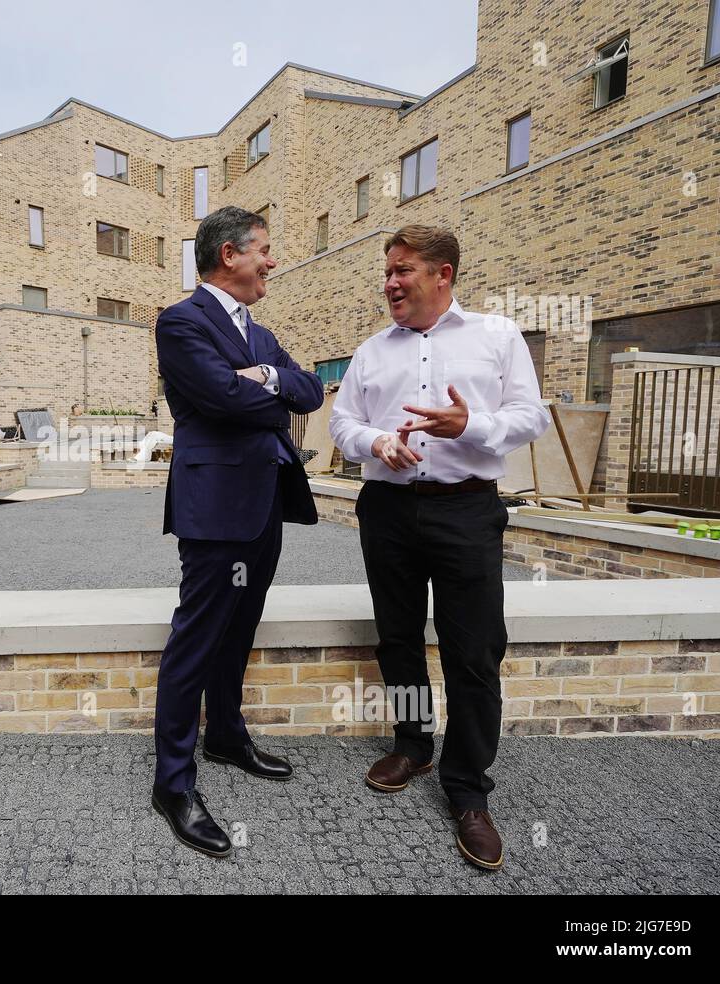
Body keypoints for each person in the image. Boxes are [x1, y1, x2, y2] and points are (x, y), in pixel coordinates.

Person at [328, 225, 549, 870]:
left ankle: (468, 788)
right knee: (397, 638)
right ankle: (412, 742)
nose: (390, 282)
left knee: (474, 648)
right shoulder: (371, 352)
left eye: (403, 271)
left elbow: (532, 416)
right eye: (388, 271)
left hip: (466, 509)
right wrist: (376, 444)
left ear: (442, 273)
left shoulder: (497, 336)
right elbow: (342, 421)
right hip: (389, 510)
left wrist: (470, 425)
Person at [152, 205, 324, 857]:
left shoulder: (259, 333)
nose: (272, 260)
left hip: (264, 500)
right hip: (216, 503)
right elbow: (221, 399)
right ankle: (173, 783)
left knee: (239, 628)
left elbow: (309, 393)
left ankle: (224, 736)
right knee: (197, 636)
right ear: (230, 254)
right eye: (265, 250)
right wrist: (254, 392)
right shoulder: (180, 321)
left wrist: (270, 377)